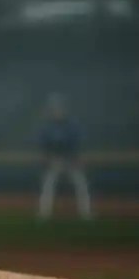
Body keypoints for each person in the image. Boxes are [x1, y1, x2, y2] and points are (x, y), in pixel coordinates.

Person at [36, 93, 94, 221]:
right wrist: (49, 160)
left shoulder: (72, 125)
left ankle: (86, 213)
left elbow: (78, 145)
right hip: (54, 161)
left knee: (81, 185)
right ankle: (44, 214)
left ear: (65, 110)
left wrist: (75, 160)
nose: (57, 111)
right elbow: (43, 147)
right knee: (47, 185)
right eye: (55, 109)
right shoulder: (47, 127)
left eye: (59, 109)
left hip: (70, 160)